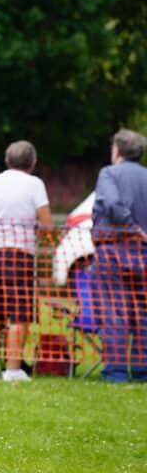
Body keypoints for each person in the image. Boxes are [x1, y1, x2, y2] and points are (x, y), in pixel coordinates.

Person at [0, 140, 52, 382]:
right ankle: (12, 369)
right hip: (21, 255)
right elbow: (47, 224)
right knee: (19, 314)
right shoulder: (35, 184)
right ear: (33, 162)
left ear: (6, 160)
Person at [91, 129, 147, 383]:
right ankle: (141, 371)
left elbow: (112, 204)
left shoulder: (109, 173)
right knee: (143, 313)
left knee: (115, 312)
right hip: (143, 252)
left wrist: (132, 226)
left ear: (117, 151)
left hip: (114, 248)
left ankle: (115, 373)